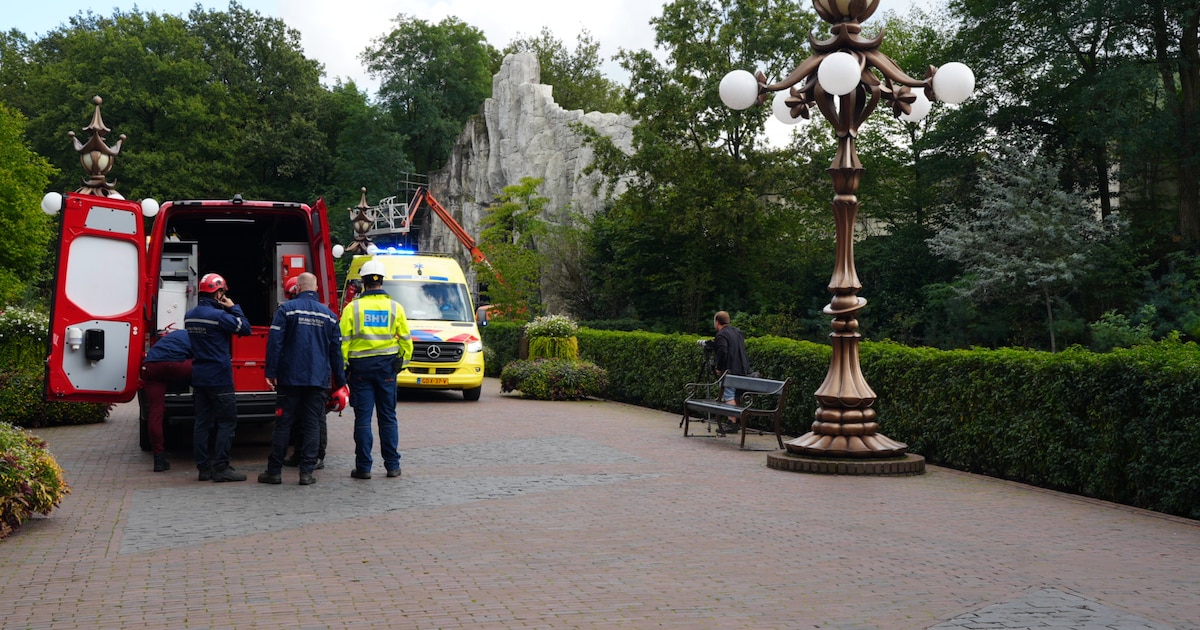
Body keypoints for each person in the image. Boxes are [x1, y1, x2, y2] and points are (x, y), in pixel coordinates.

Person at [260, 272, 345, 486]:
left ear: (297, 288)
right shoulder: (330, 316)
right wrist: (340, 381)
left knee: (283, 423)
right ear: (315, 289)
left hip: (289, 378)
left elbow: (275, 343)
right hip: (317, 380)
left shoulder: (286, 310)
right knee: (312, 425)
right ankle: (307, 473)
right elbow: (336, 352)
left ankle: (274, 472)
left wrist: (271, 372)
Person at [339, 259, 413, 480]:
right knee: (388, 417)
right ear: (381, 280)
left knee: (362, 420)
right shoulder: (395, 307)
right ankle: (392, 466)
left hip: (360, 371)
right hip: (386, 370)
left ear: (363, 282)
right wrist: (401, 364)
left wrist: (343, 369)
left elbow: (343, 342)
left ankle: (363, 468)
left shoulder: (353, 308)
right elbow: (407, 342)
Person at [185, 273, 252, 482]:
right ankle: (221, 468)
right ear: (219, 292)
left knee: (202, 423)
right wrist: (233, 307)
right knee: (226, 422)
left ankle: (203, 469)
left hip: (199, 376)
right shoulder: (220, 316)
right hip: (220, 378)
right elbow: (245, 328)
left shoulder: (190, 315)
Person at [140, 329, 192, 472]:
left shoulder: (171, 337)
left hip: (150, 366)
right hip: (172, 364)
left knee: (155, 413)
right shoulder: (196, 335)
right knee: (203, 366)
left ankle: (159, 459)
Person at [711, 310, 750, 428]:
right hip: (742, 369)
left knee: (728, 395)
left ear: (717, 322)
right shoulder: (738, 332)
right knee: (736, 395)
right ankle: (737, 422)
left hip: (730, 370)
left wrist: (719, 367)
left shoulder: (722, 334)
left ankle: (731, 422)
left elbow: (723, 352)